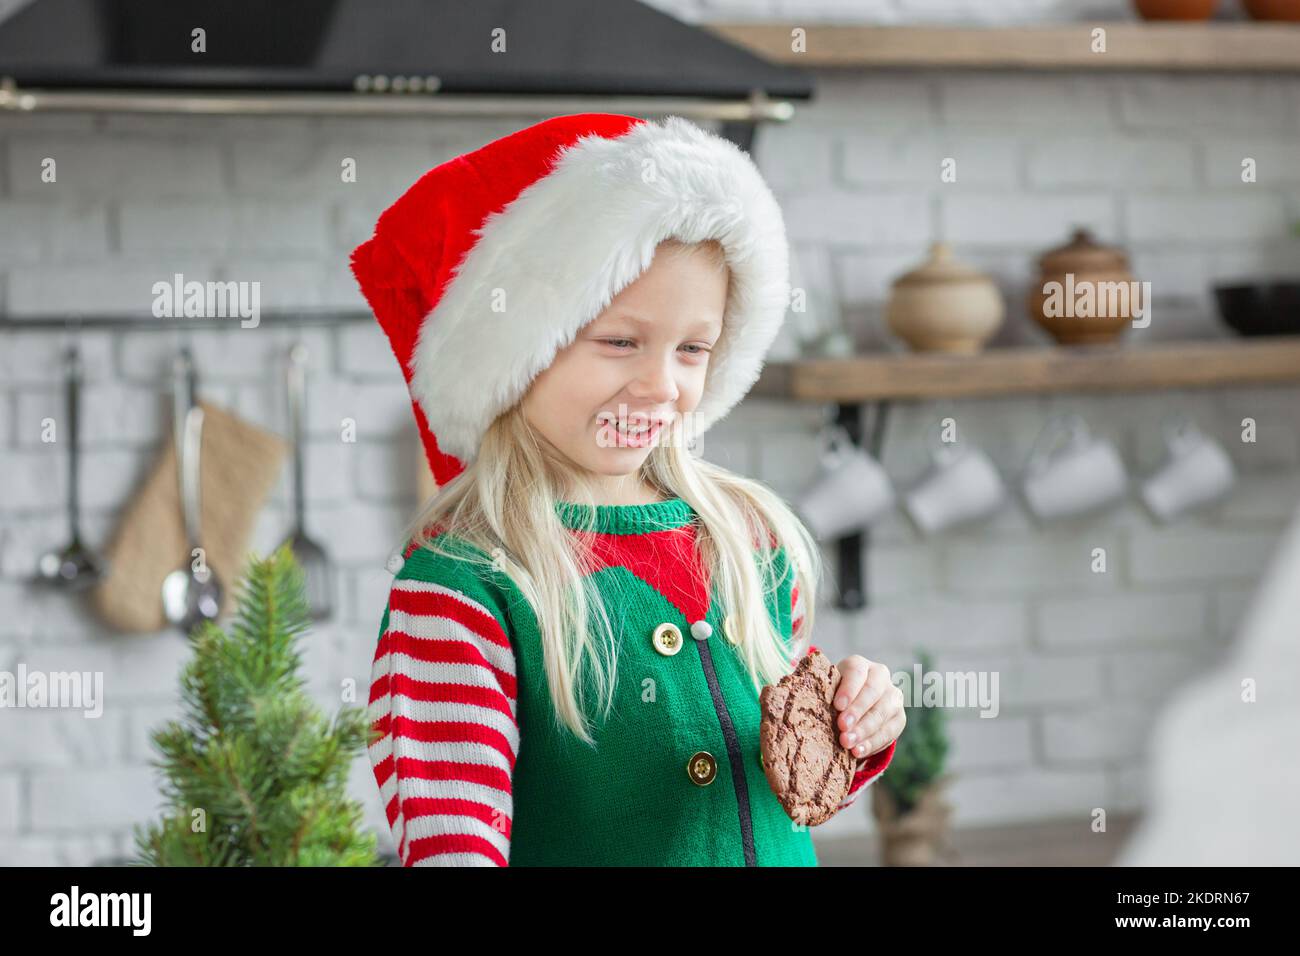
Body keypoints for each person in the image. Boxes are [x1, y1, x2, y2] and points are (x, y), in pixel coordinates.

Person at [349, 113, 905, 867]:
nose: (660, 384)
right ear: (518, 352)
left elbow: (785, 779)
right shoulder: (462, 585)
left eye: (693, 349)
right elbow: (454, 844)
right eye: (618, 341)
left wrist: (856, 724)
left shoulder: (751, 540)